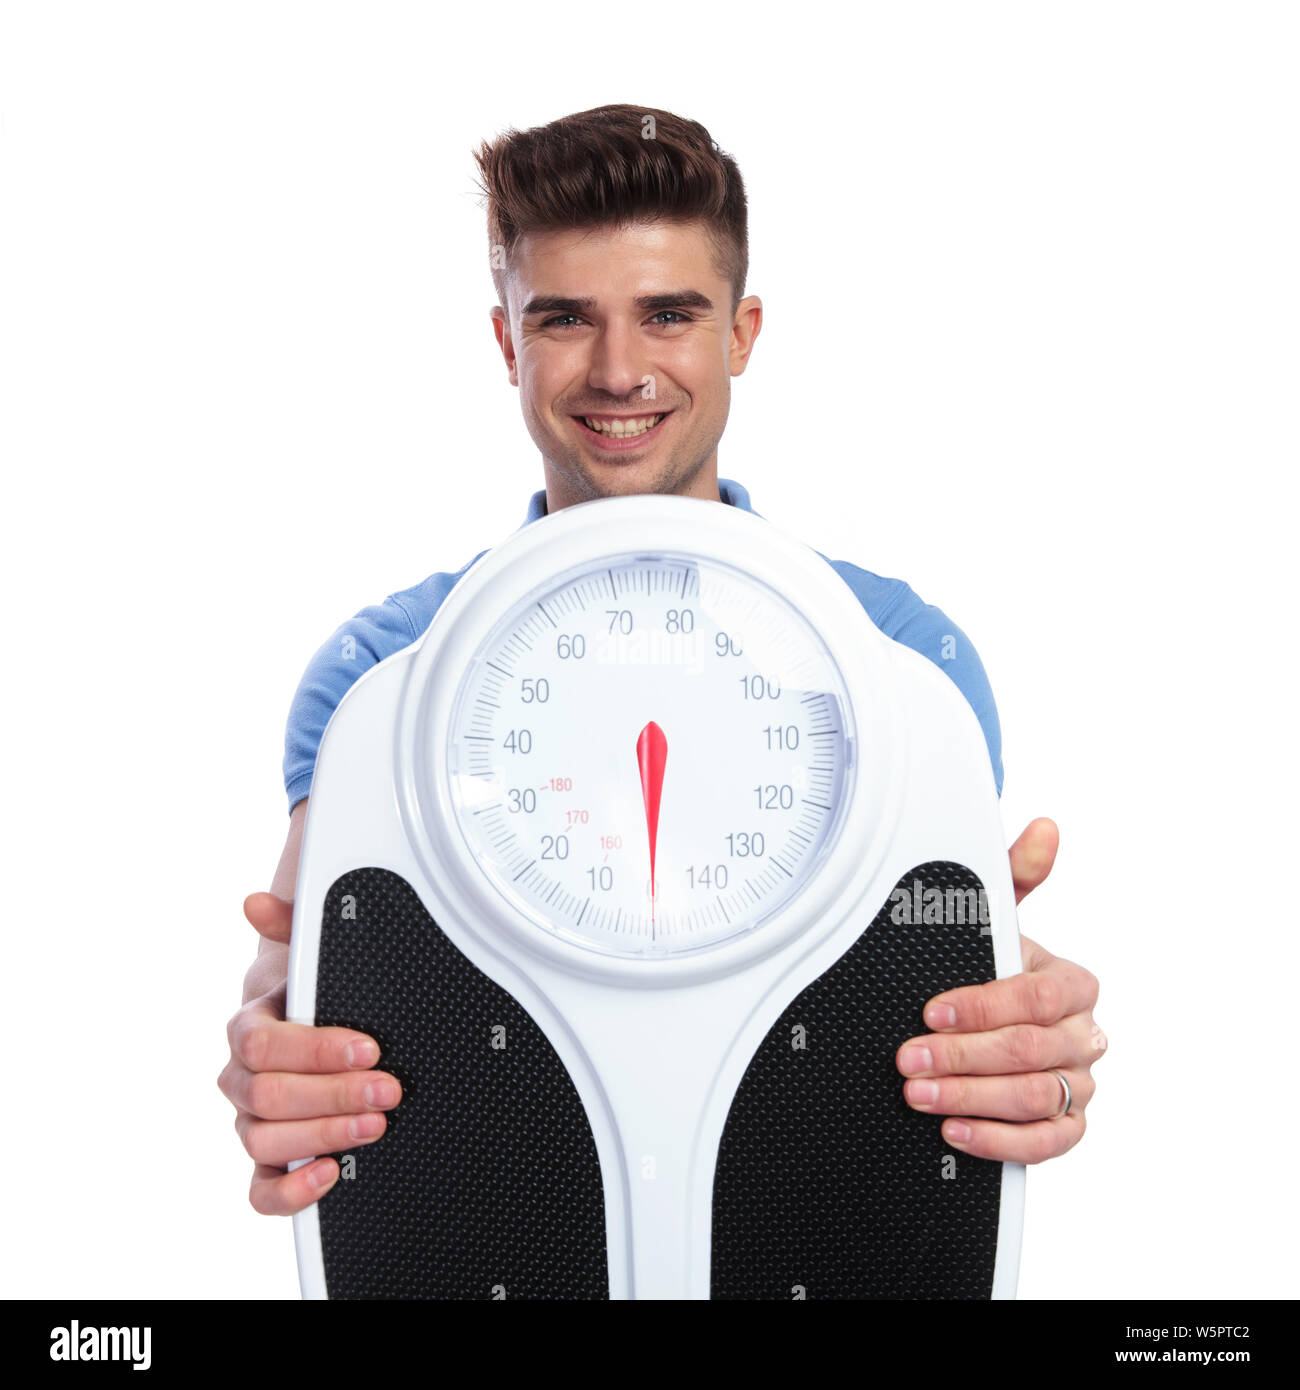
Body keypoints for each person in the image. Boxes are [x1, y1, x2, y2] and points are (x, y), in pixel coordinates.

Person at [219, 104, 1106, 1219]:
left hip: (799, 1221)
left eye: (669, 314)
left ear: (741, 334)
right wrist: (271, 1056)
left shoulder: (900, 658)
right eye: (563, 320)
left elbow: (937, 970)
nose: (618, 369)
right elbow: (295, 990)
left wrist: (1029, 1044)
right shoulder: (379, 674)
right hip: (504, 1222)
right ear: (506, 343)